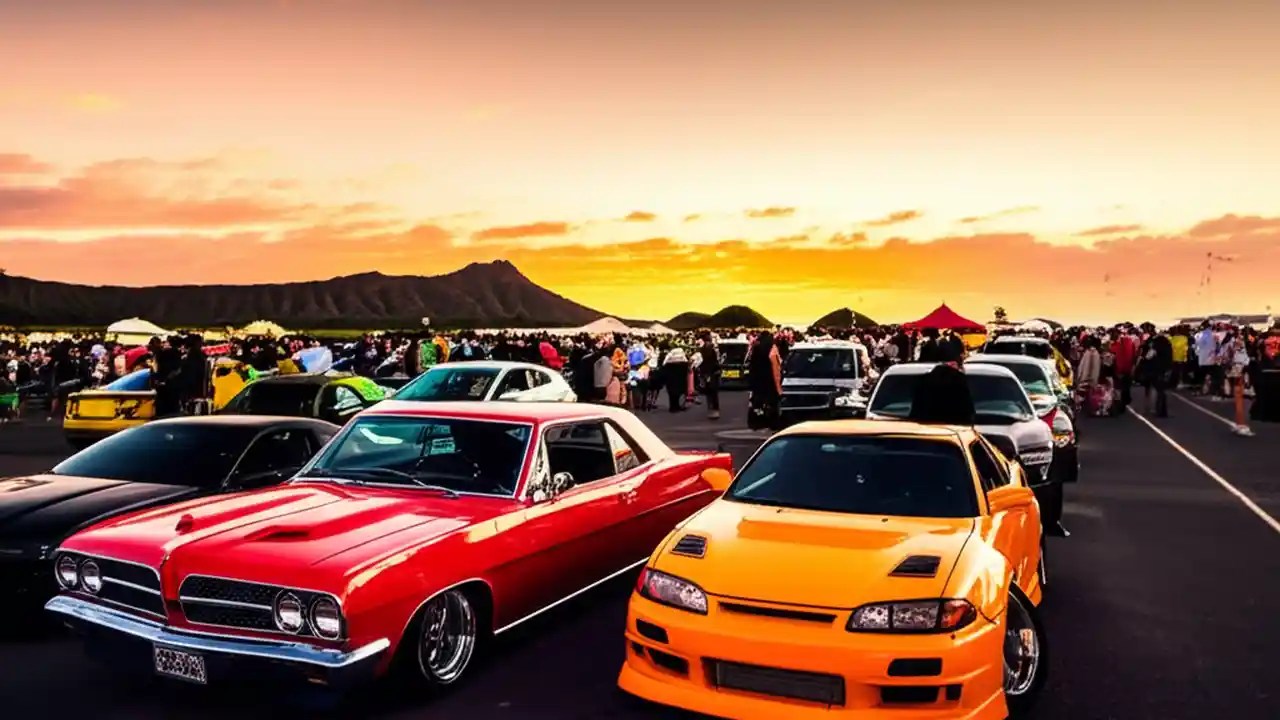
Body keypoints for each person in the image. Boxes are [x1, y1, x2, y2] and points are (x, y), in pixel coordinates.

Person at [746, 331, 782, 429]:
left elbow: (751, 364)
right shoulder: (772, 348)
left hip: (757, 379)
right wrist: (778, 385)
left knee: (757, 402)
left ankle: (757, 422)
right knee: (772, 402)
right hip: (769, 379)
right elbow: (776, 366)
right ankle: (772, 422)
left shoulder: (755, 347)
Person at [696, 333, 722, 420]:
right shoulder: (713, 348)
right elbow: (716, 361)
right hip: (712, 372)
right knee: (713, 391)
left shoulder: (702, 349)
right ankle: (715, 410)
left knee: (709, 391)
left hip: (706, 372)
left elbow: (701, 361)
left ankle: (711, 409)